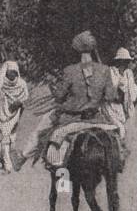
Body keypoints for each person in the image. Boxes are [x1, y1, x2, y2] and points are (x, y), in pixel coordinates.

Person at [21, 30, 120, 162]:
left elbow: (59, 96)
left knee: (42, 128)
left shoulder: (69, 71)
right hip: (96, 118)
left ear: (76, 51)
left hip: (69, 118)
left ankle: (23, 156)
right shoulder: (105, 70)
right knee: (118, 136)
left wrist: (55, 89)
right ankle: (119, 159)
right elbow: (110, 96)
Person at [0, 61, 29, 172]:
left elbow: (25, 96)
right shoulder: (1, 83)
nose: (11, 74)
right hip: (3, 113)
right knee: (6, 138)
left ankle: (3, 158)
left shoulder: (21, 84)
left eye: (14, 72)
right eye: (9, 72)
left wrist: (18, 102)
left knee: (12, 138)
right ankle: (7, 165)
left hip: (16, 114)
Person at [106, 47, 137, 157]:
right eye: (123, 61)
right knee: (119, 127)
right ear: (119, 61)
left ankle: (122, 149)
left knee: (128, 128)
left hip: (122, 106)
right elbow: (110, 90)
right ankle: (118, 152)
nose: (125, 64)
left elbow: (133, 91)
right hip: (110, 106)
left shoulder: (128, 74)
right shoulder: (111, 72)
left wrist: (130, 91)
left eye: (127, 62)